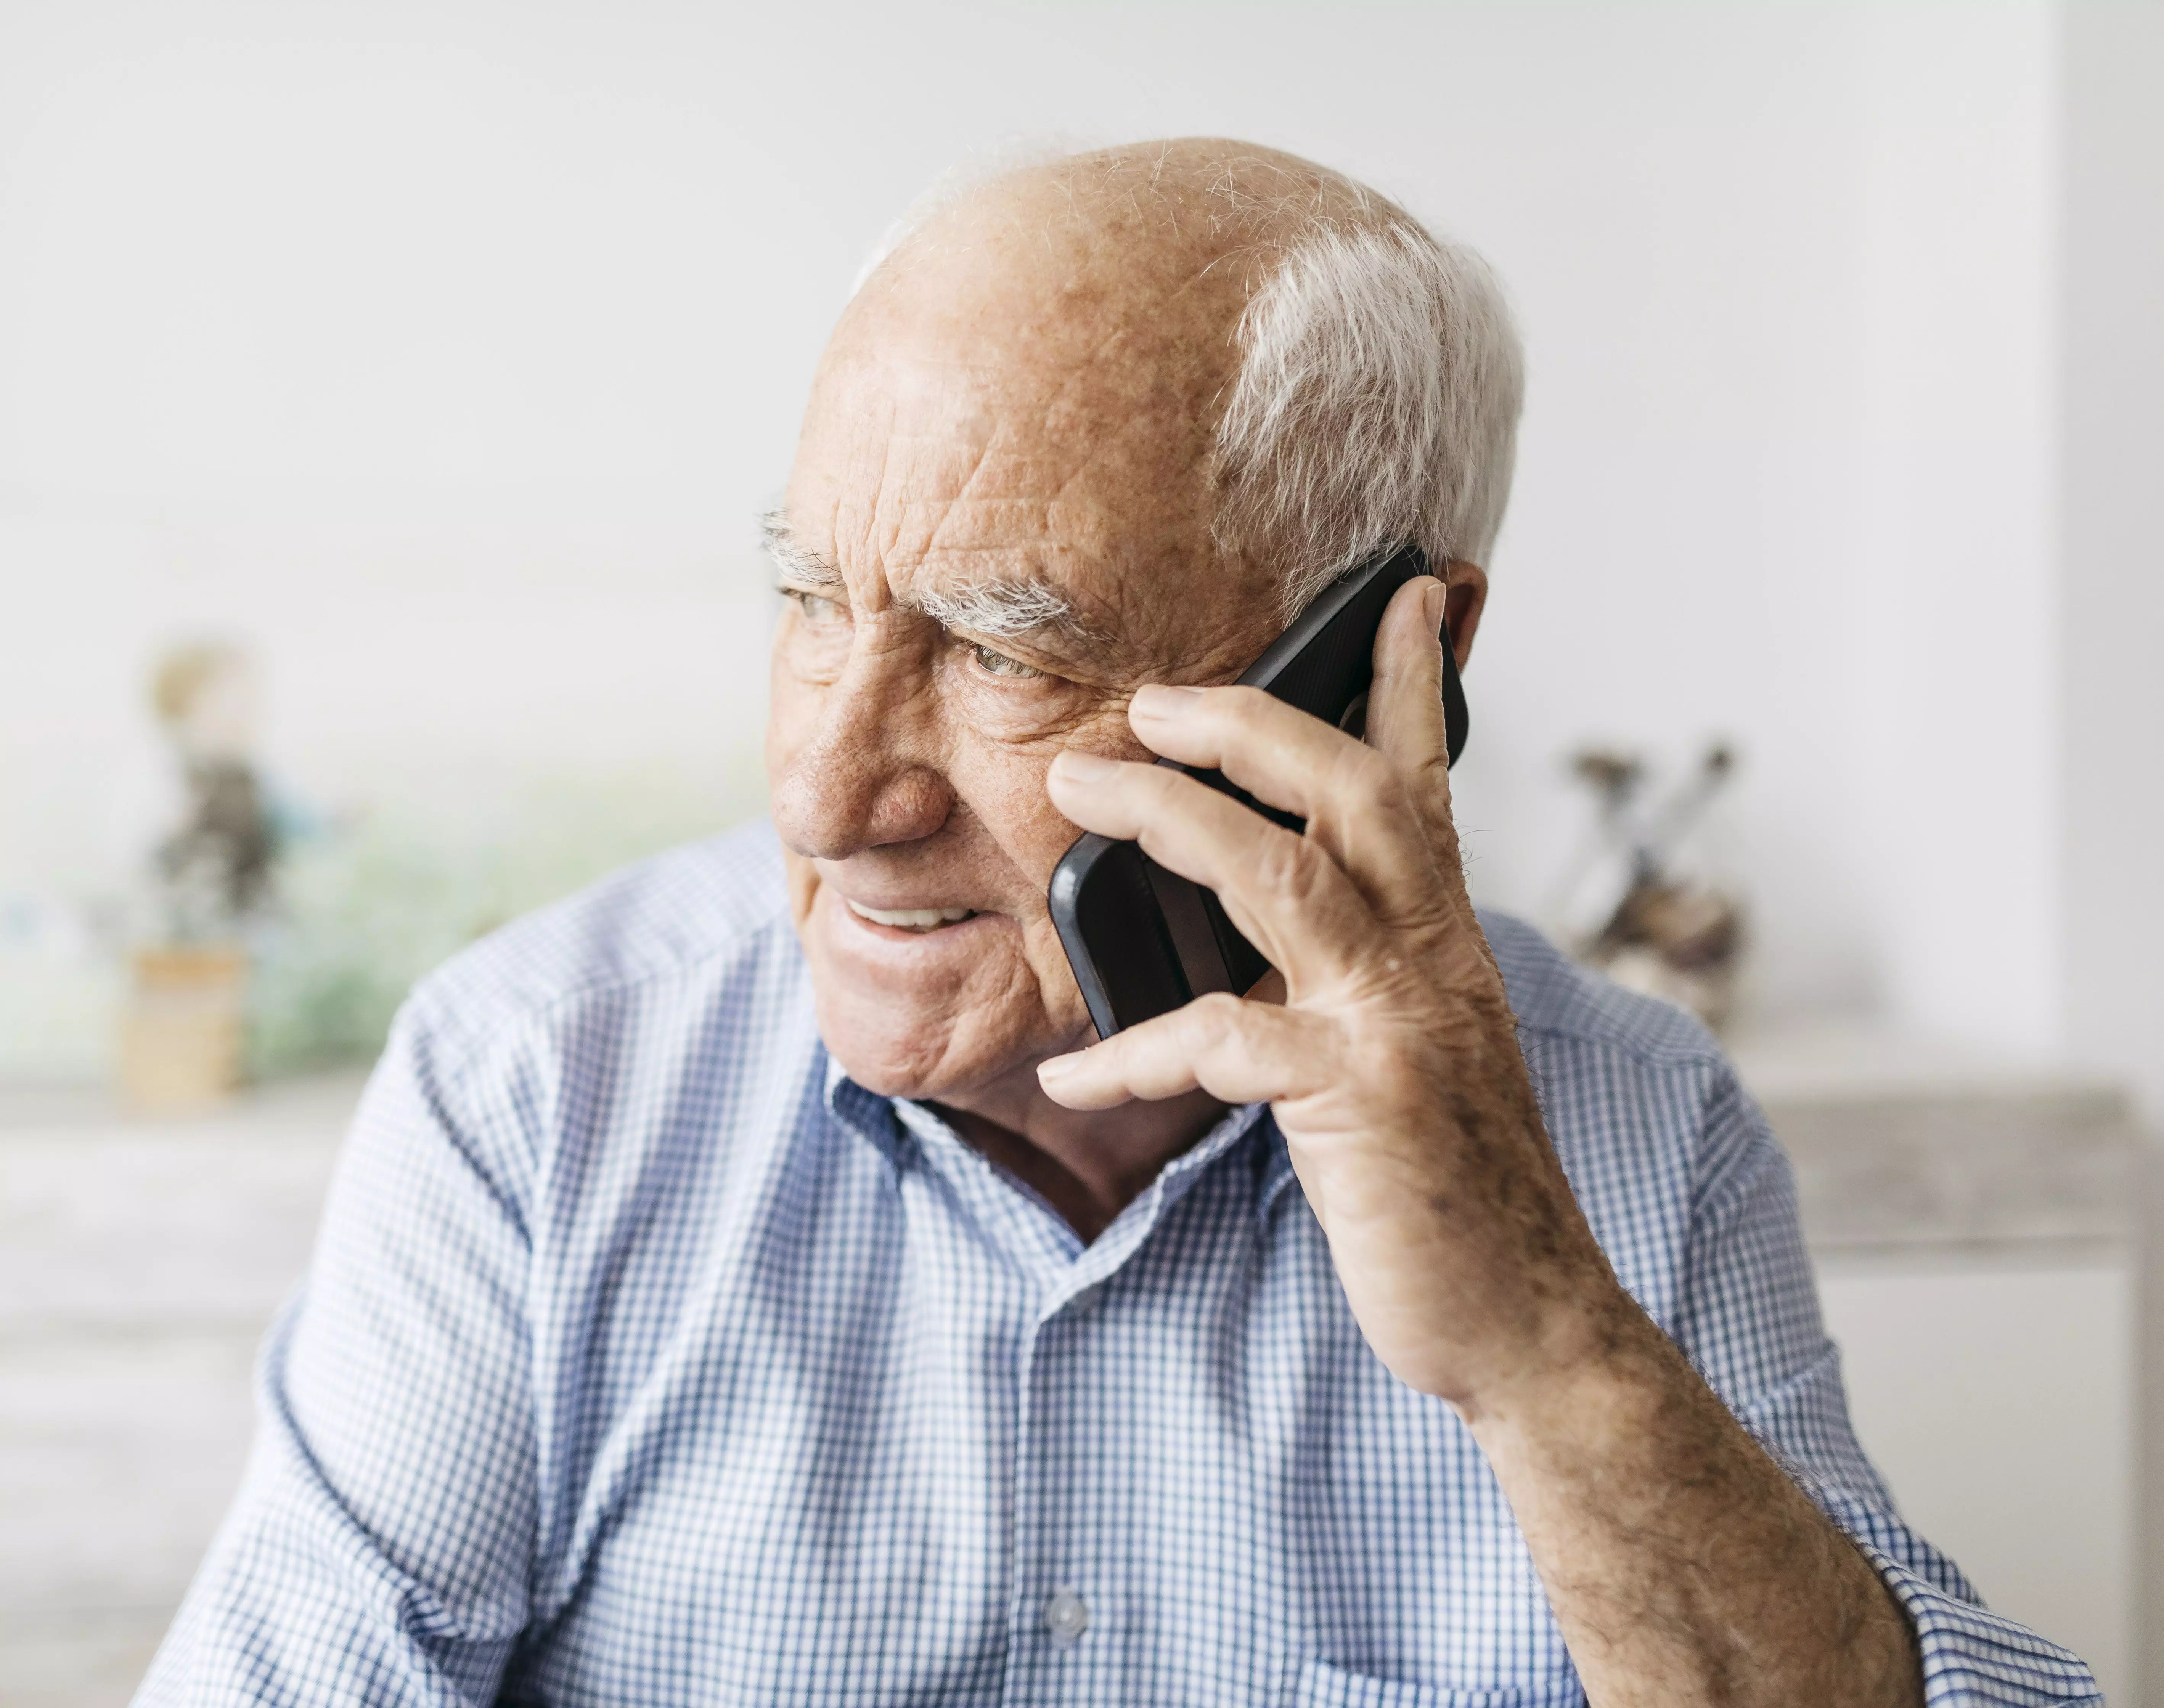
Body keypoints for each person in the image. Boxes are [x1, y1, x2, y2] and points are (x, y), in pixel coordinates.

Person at [138, 140, 2100, 1707]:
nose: (827, 798)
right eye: (812, 599)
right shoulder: (535, 1084)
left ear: (1371, 671)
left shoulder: (1625, 1132)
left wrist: (1548, 1356)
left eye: (1001, 647)